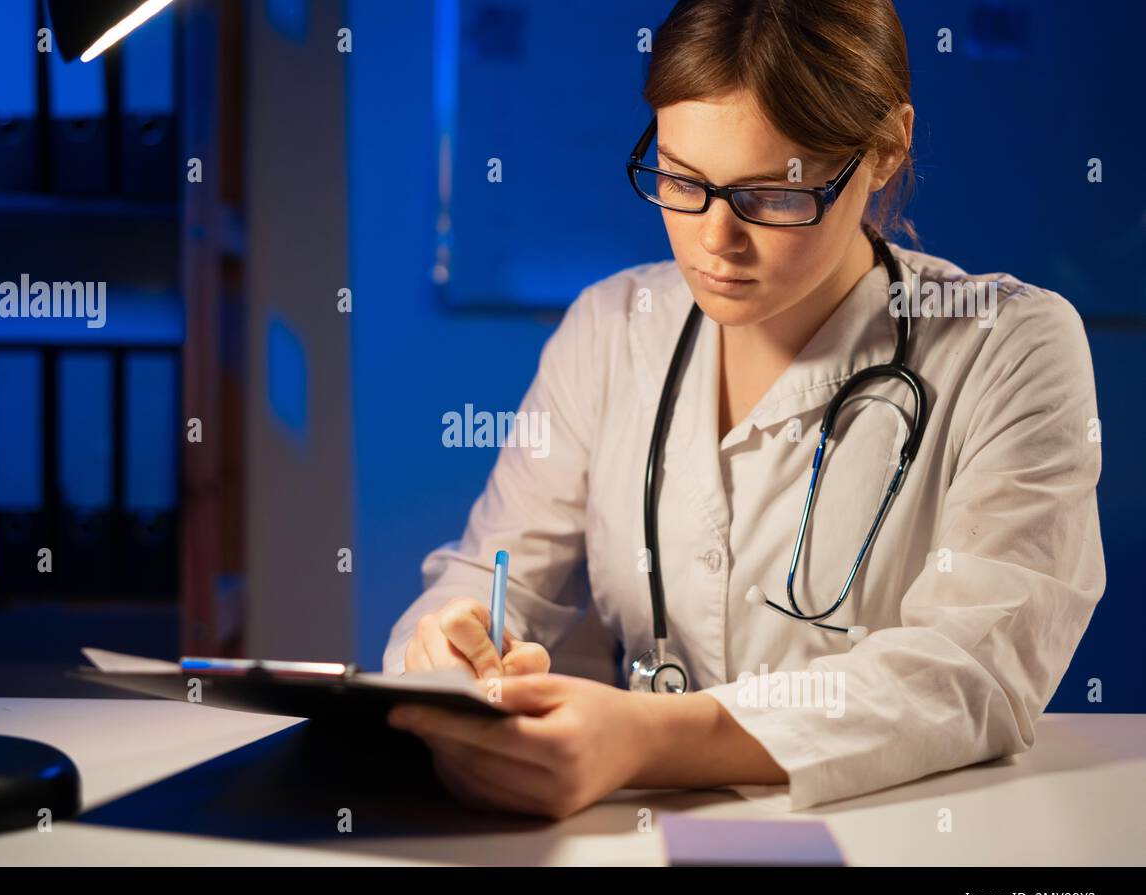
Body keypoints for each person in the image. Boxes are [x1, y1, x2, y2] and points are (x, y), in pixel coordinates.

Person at [382, 0, 1105, 819]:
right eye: (681, 180)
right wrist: (451, 655)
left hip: (895, 835)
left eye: (772, 195)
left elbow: (974, 670)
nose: (714, 240)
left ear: (886, 147)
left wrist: (649, 738)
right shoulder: (610, 328)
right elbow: (492, 575)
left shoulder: (1011, 346)